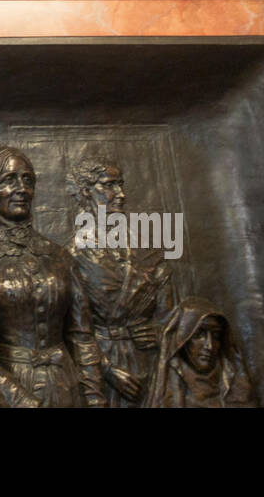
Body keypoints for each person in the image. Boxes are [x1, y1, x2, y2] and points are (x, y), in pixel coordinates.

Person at [0, 143, 106, 407]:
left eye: (27, 180)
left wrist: (93, 396)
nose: (21, 188)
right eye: (8, 180)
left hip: (64, 387)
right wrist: (19, 401)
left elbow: (82, 336)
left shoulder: (59, 256)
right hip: (9, 390)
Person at [67, 159, 175, 407]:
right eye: (109, 185)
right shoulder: (73, 255)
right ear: (86, 191)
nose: (121, 194)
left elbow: (170, 317)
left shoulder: (147, 250)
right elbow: (70, 330)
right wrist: (106, 370)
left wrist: (159, 334)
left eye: (121, 185)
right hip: (102, 366)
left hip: (148, 362)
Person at [145, 297, 255, 407]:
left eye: (216, 335)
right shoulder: (169, 382)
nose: (209, 346)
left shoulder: (233, 382)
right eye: (199, 335)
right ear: (183, 340)